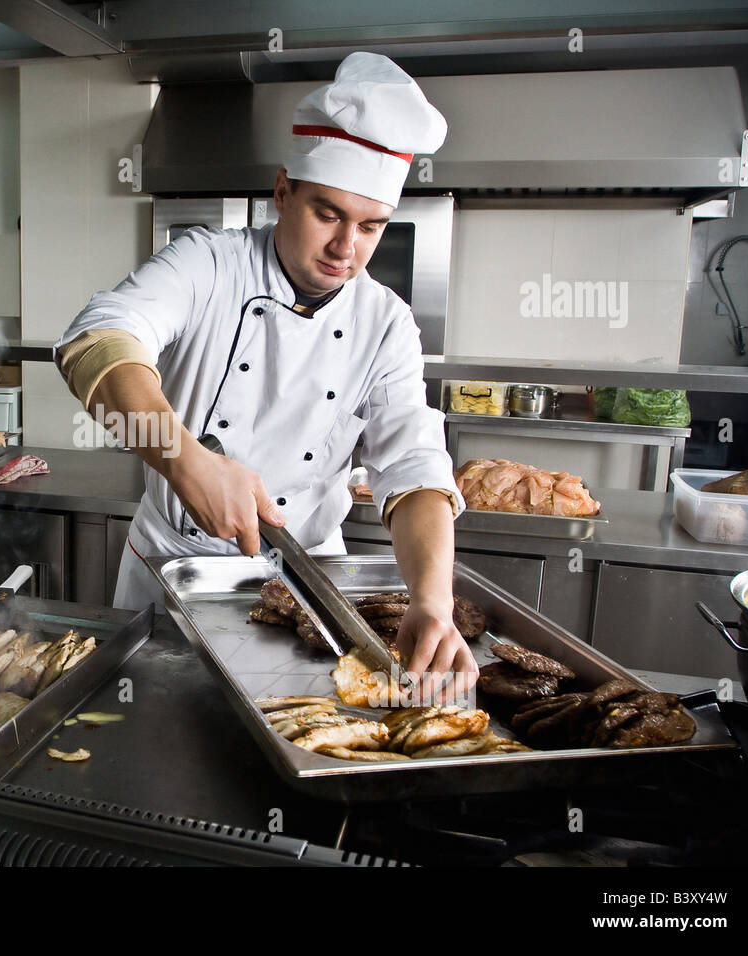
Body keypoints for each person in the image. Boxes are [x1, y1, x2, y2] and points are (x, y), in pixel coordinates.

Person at [56, 53, 476, 694]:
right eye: (328, 215)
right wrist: (186, 460)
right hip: (175, 567)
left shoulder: (387, 323)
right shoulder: (208, 263)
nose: (347, 249)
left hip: (307, 587)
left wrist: (432, 601)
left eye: (371, 227)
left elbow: (414, 469)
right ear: (283, 191)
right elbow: (95, 342)